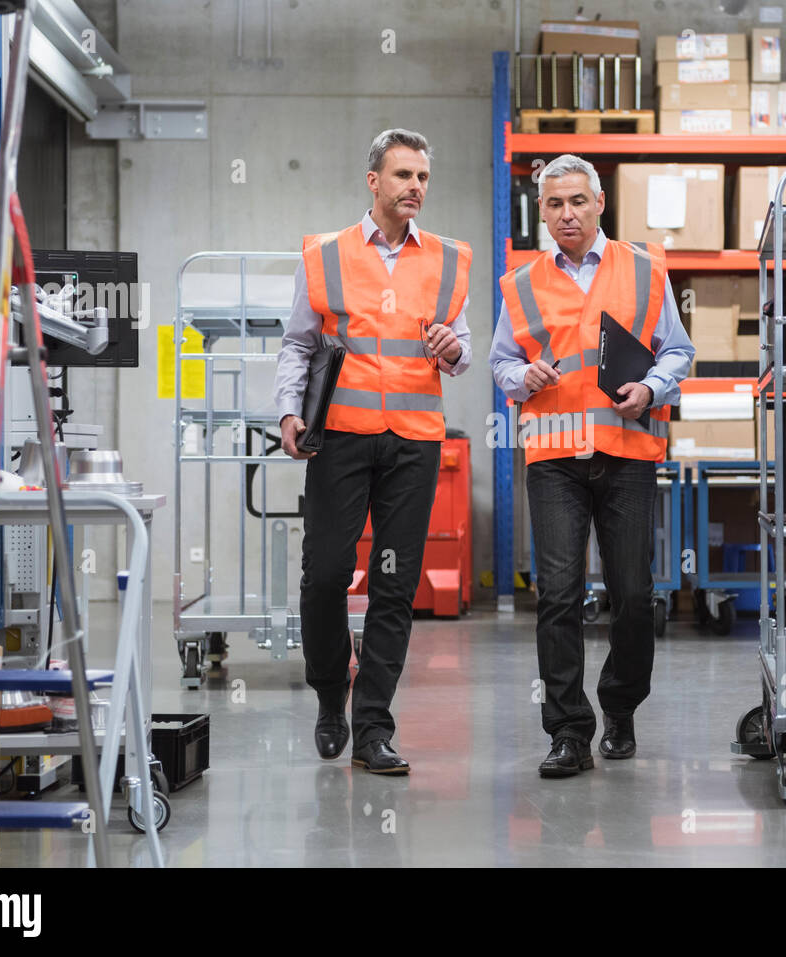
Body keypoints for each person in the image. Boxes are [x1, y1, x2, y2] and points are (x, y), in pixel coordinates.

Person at [490, 153, 694, 778]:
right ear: (542, 212)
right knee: (557, 594)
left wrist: (652, 390)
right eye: (554, 204)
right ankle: (569, 732)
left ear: (599, 202)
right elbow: (500, 364)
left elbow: (678, 350)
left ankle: (622, 709)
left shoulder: (642, 269)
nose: (567, 213)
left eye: (577, 201)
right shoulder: (521, 284)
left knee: (632, 593)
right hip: (554, 458)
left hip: (626, 452)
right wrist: (523, 375)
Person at [274, 128, 472, 775]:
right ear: (374, 182)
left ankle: (374, 728)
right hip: (341, 441)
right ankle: (332, 690)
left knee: (394, 584)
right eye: (403, 175)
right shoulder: (326, 255)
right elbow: (298, 344)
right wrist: (287, 411)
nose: (415, 187)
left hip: (413, 446)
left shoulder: (446, 259)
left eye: (422, 177)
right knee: (326, 574)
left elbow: (462, 349)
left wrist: (453, 349)